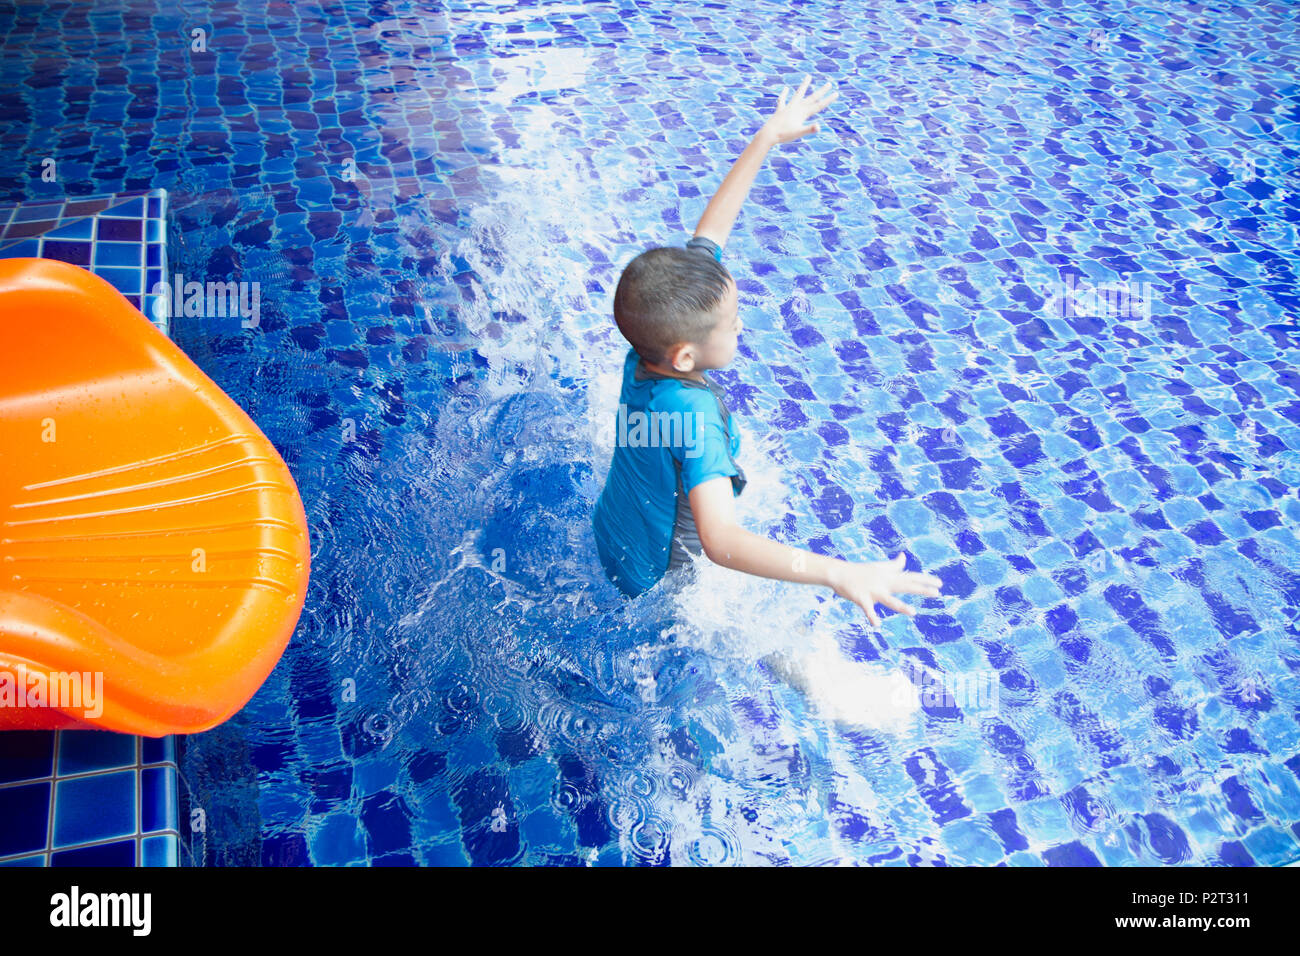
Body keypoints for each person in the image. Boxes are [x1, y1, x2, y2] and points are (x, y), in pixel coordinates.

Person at [592, 75, 944, 630]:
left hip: (613, 534)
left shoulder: (646, 344)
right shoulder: (693, 418)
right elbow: (722, 542)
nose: (741, 325)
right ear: (685, 356)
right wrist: (839, 572)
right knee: (757, 634)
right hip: (659, 580)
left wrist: (766, 139)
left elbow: (709, 238)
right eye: (731, 324)